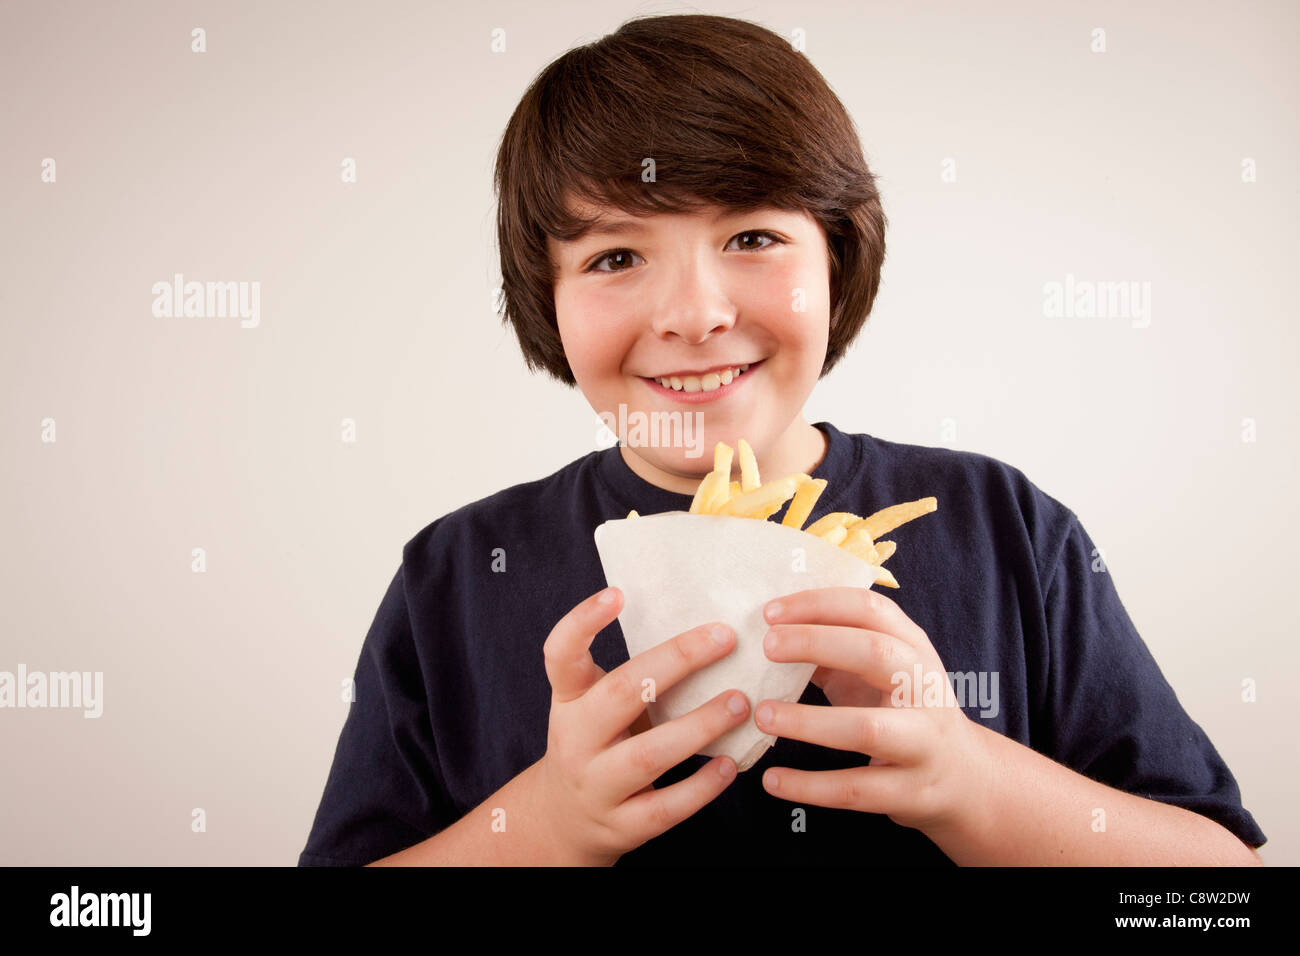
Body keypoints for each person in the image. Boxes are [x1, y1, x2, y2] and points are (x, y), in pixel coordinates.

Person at [298, 13, 1265, 866]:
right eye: (617, 255)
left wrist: (971, 782)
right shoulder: (456, 575)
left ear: (838, 260)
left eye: (753, 237)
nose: (694, 313)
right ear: (545, 303)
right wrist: (548, 826)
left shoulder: (1009, 529)